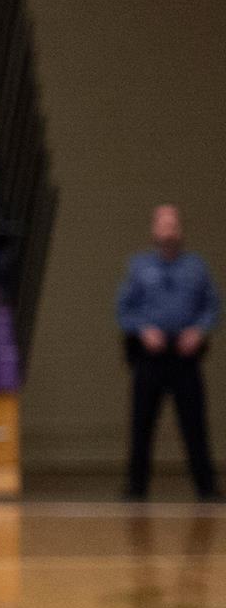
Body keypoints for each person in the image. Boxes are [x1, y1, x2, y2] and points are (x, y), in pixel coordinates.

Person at [117, 204, 219, 500]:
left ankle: (206, 487)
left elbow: (211, 306)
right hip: (150, 358)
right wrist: (142, 329)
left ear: (180, 229)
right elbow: (124, 309)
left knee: (194, 423)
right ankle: (136, 487)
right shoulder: (139, 267)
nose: (168, 230)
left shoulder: (196, 267)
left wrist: (199, 329)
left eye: (173, 224)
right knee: (142, 423)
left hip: (185, 357)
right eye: (162, 224)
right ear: (154, 229)